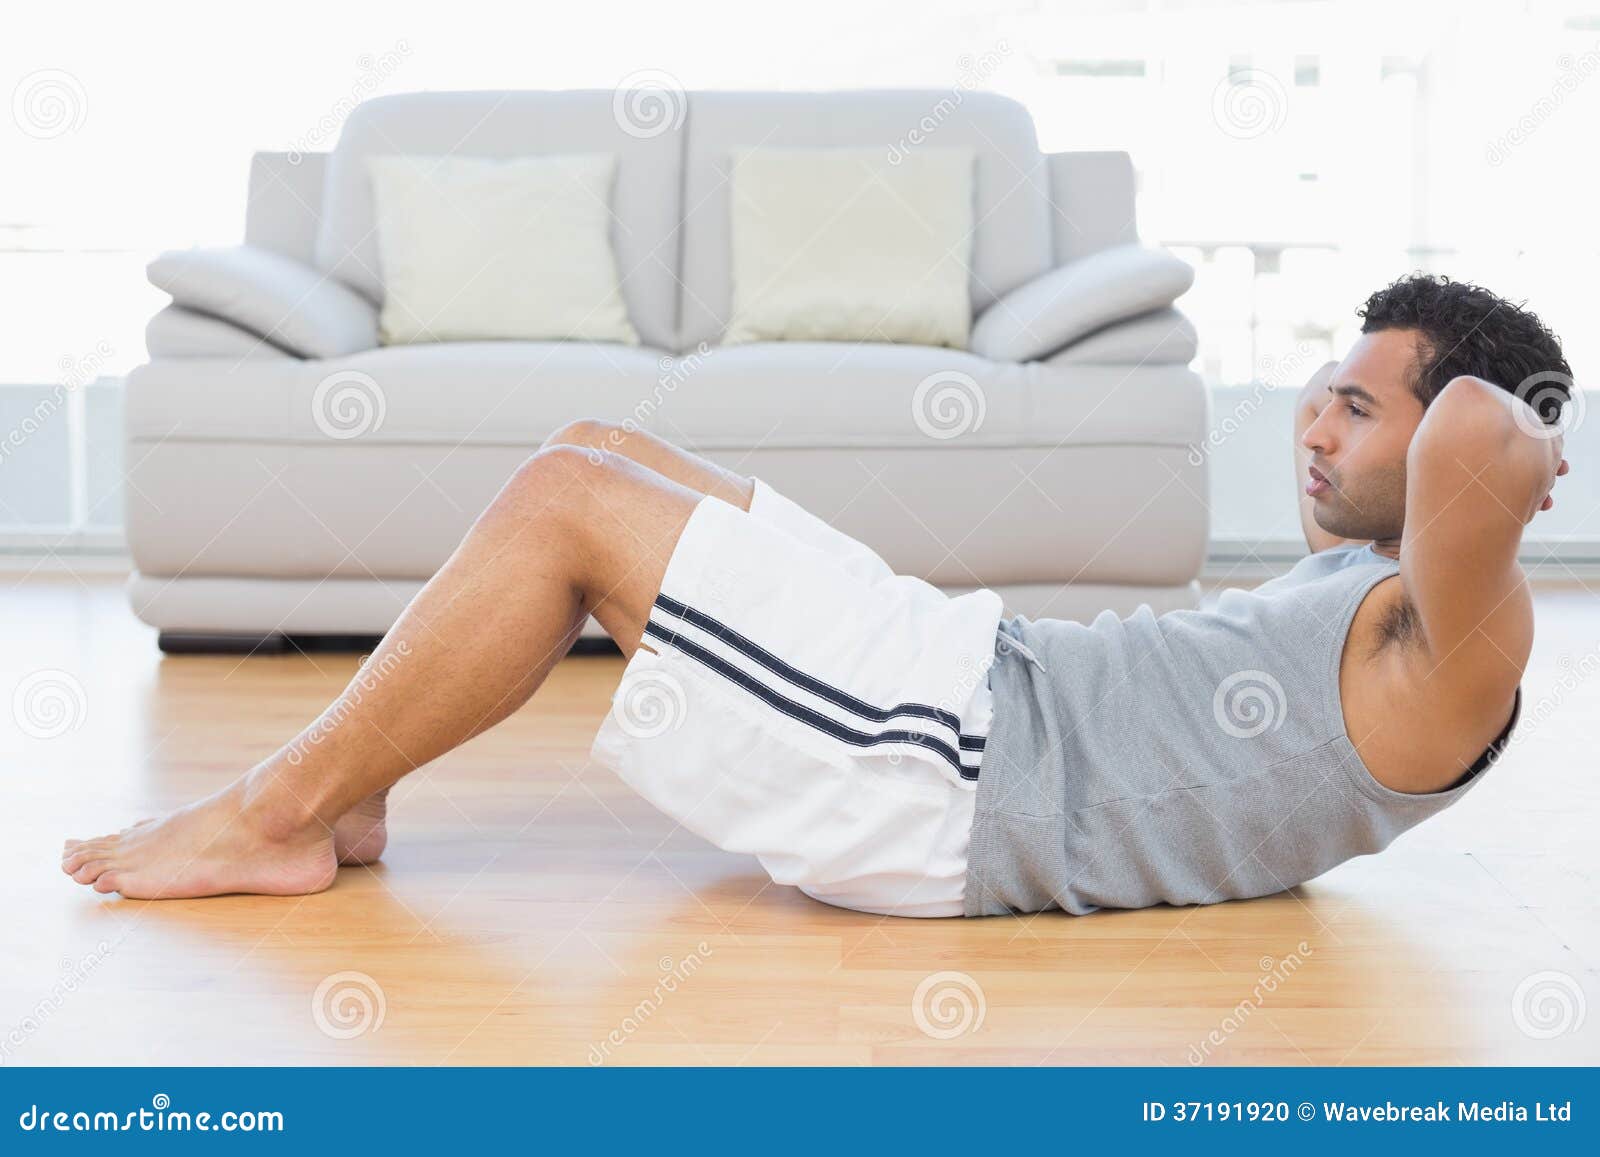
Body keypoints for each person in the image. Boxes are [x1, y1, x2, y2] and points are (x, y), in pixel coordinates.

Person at [62, 274, 1571, 917]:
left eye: (1356, 413)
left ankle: (269, 814)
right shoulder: (1367, 594)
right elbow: (1449, 436)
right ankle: (355, 780)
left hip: (954, 777)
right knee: (592, 450)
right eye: (1322, 393)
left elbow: (1469, 436)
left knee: (564, 512)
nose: (1315, 429)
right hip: (970, 679)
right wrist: (1446, 415)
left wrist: (1524, 420)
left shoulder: (1458, 648)